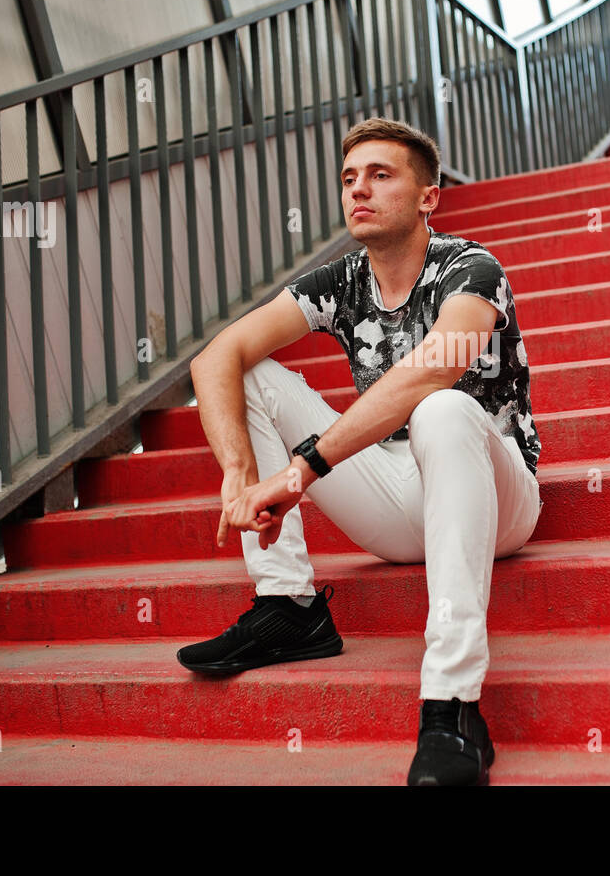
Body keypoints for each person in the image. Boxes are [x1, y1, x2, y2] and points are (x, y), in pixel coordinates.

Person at [177, 116, 542, 786]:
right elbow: (214, 357)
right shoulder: (341, 282)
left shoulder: (472, 268)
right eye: (349, 178)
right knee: (249, 374)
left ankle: (452, 705)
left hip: (495, 493)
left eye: (380, 175)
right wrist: (238, 476)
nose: (359, 191)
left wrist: (302, 468)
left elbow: (435, 368)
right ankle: (288, 605)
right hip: (398, 494)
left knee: (441, 404)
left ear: (428, 196)